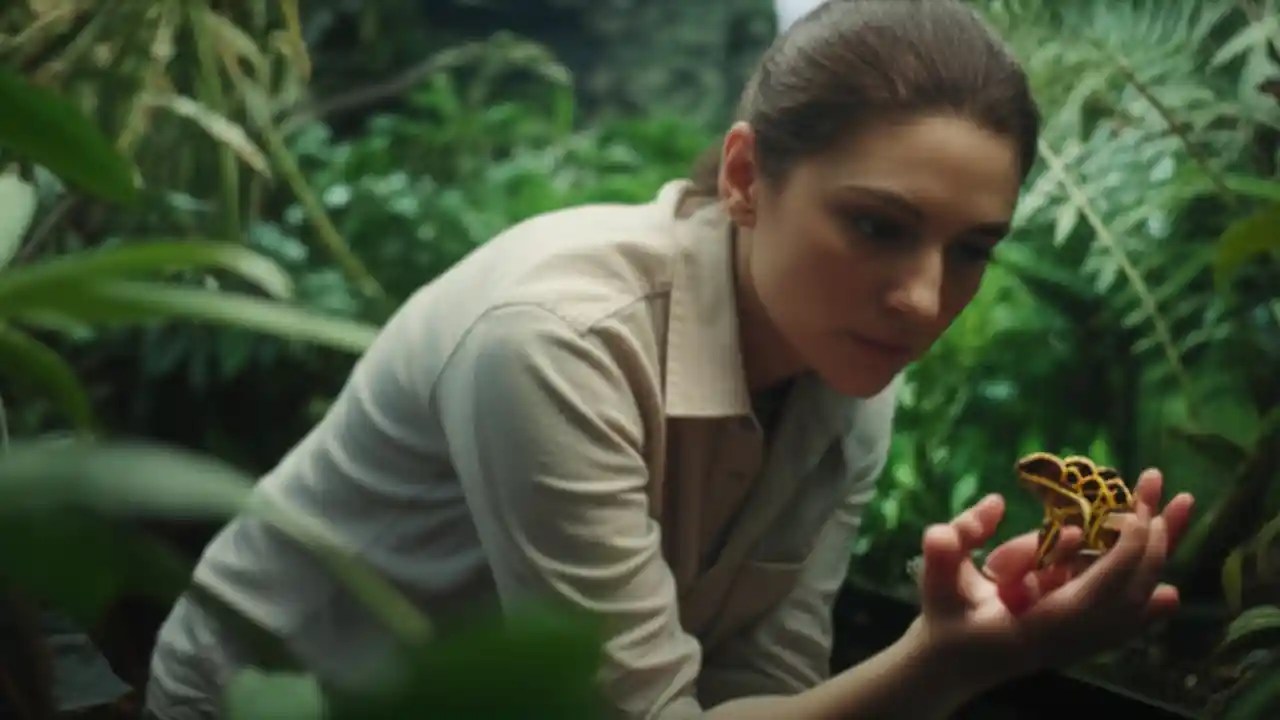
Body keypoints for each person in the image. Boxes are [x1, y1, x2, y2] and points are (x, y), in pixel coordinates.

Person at [144, 1, 1196, 718]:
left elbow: (764, 689)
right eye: (876, 226)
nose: (925, 300)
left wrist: (974, 641)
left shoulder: (849, 372)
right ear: (745, 176)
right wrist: (943, 664)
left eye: (969, 250)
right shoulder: (558, 340)